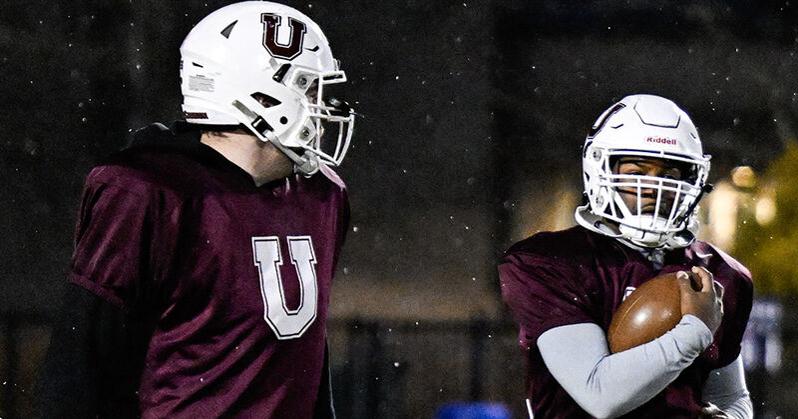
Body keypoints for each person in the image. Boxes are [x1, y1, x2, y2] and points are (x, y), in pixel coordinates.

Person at [36, 2, 354, 417]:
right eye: (308, 88)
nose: (323, 106)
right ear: (260, 93)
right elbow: (80, 371)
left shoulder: (322, 195)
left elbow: (304, 358)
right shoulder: (150, 192)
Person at [499, 94, 753, 418]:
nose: (654, 187)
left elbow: (732, 396)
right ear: (600, 169)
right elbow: (600, 395)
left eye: (669, 175)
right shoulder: (550, 262)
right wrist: (694, 331)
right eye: (637, 172)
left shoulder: (721, 273)